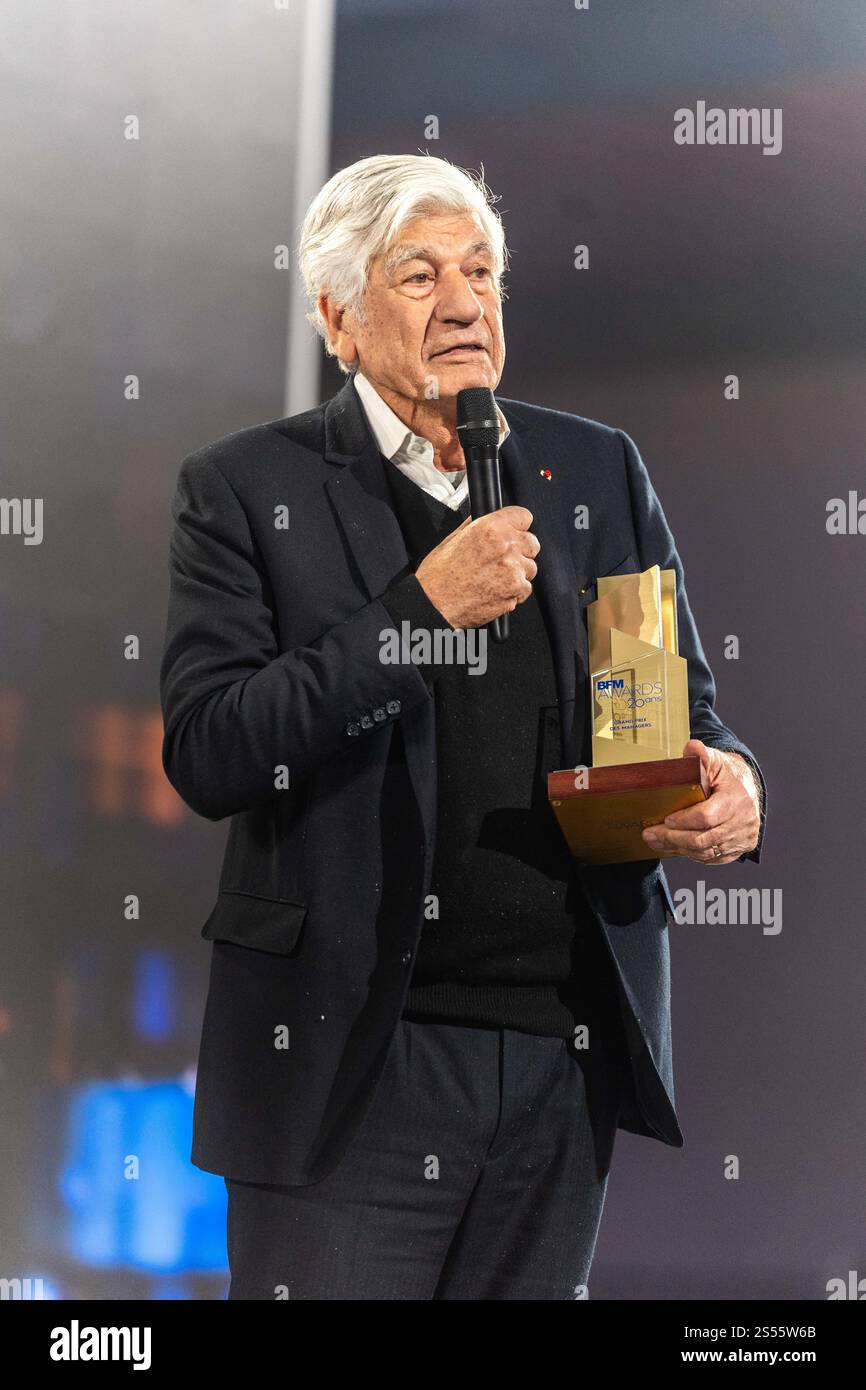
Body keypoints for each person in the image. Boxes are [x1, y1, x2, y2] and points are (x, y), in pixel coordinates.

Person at [159, 153, 766, 1300]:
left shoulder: (590, 468)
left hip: (559, 1056)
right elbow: (214, 747)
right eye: (419, 273)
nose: (464, 301)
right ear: (338, 319)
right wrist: (417, 611)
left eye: (481, 271)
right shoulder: (245, 488)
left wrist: (728, 785)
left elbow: (669, 706)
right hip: (347, 1066)